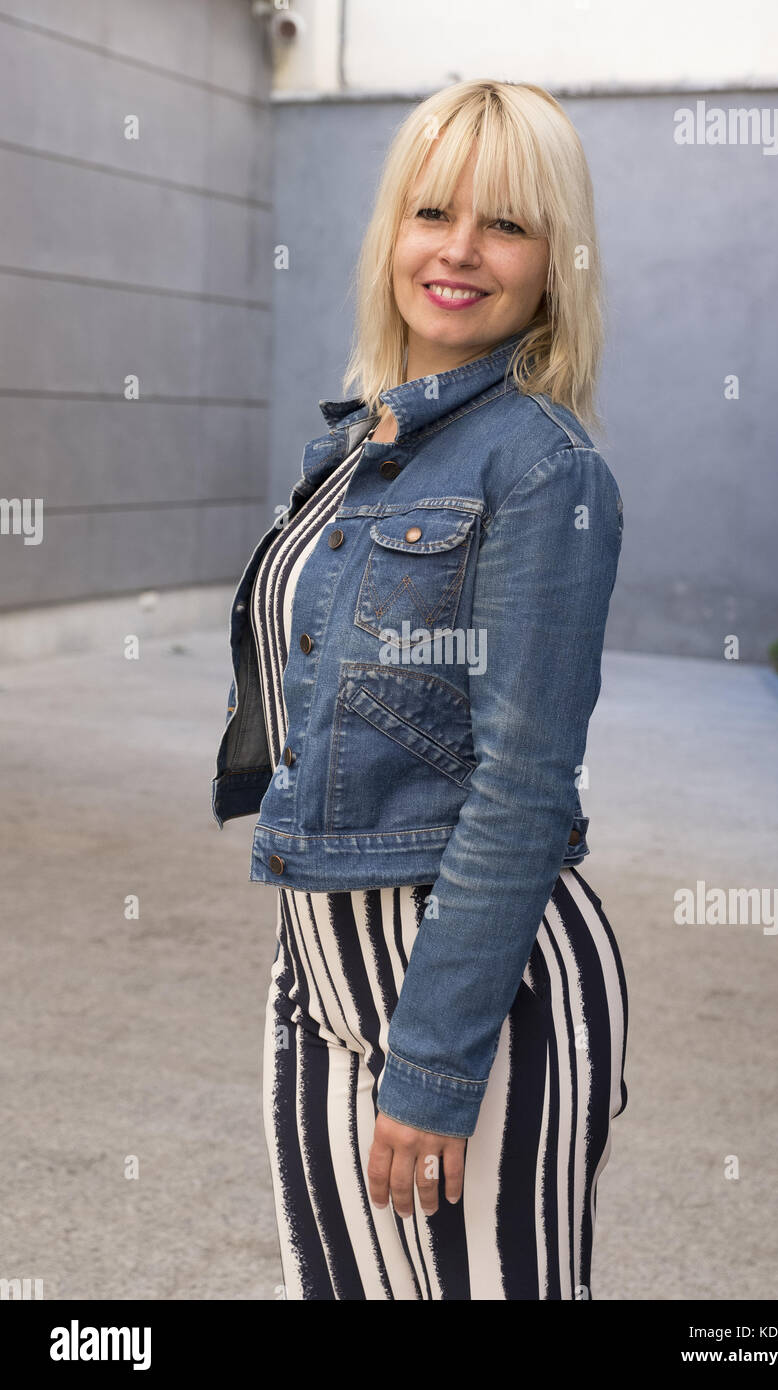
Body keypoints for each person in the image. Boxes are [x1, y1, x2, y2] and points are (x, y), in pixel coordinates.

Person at [212, 78, 629, 1300]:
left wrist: (434, 1067)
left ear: (554, 259)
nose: (456, 250)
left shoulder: (546, 469)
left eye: (503, 222)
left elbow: (522, 785)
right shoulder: (370, 443)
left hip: (466, 1003)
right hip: (317, 974)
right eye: (430, 210)